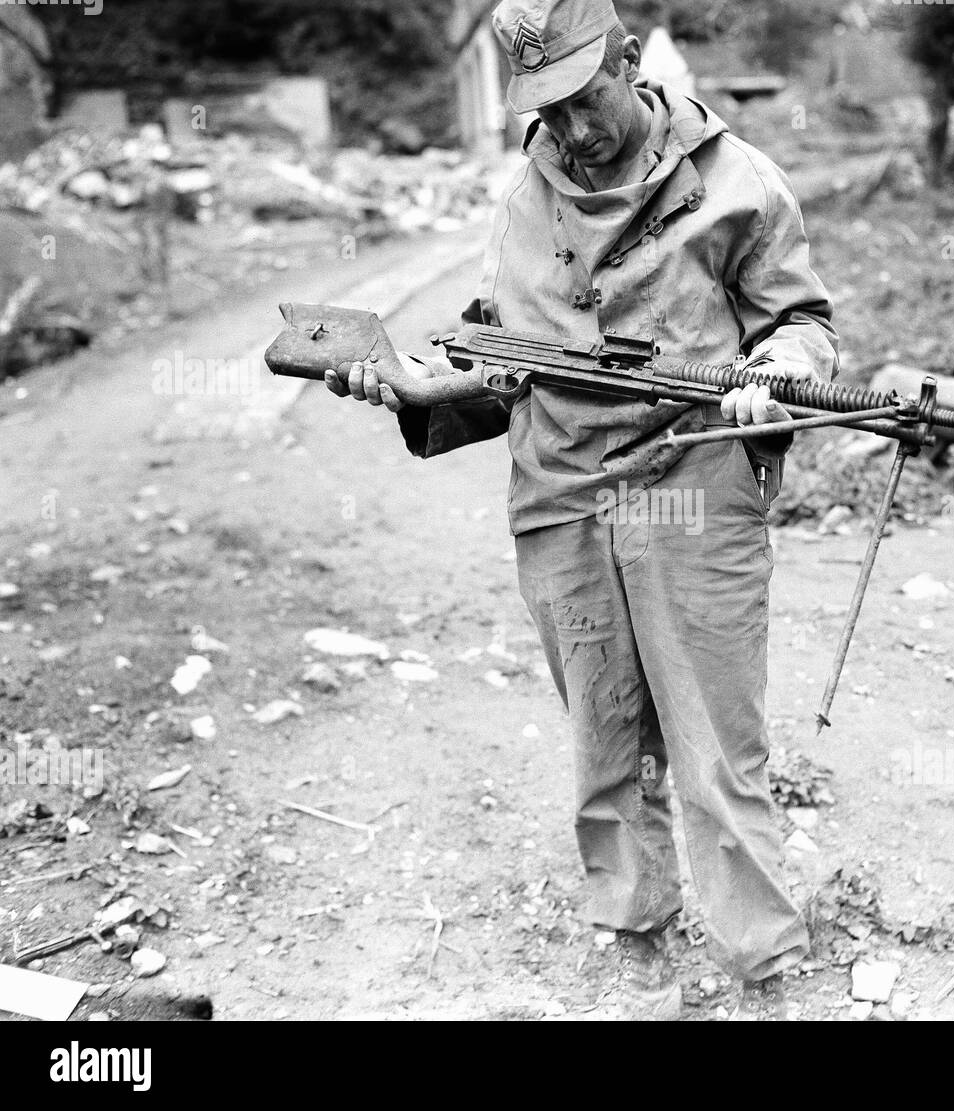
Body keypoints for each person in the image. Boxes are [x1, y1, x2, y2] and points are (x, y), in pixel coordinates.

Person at [325, 0, 839, 1020]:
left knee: (714, 745)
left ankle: (760, 966)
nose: (570, 131)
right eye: (546, 113)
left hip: (690, 481)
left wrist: (773, 371)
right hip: (560, 494)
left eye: (583, 101)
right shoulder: (524, 199)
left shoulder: (737, 181)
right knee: (602, 734)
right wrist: (418, 386)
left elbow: (801, 323)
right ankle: (633, 928)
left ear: (631, 60)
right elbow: (497, 357)